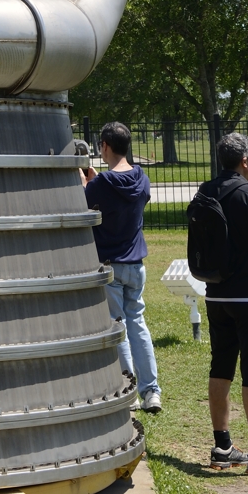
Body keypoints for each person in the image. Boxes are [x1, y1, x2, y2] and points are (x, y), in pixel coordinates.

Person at [196, 133, 248, 474]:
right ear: (245, 160)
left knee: (221, 367)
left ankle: (222, 447)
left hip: (216, 293)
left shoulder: (205, 191)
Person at [82, 120, 162, 413]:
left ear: (104, 146)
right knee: (138, 324)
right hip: (136, 265)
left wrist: (86, 183)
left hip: (110, 265)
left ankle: (128, 391)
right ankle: (151, 391)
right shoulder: (142, 179)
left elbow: (85, 203)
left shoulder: (101, 183)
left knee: (118, 327)